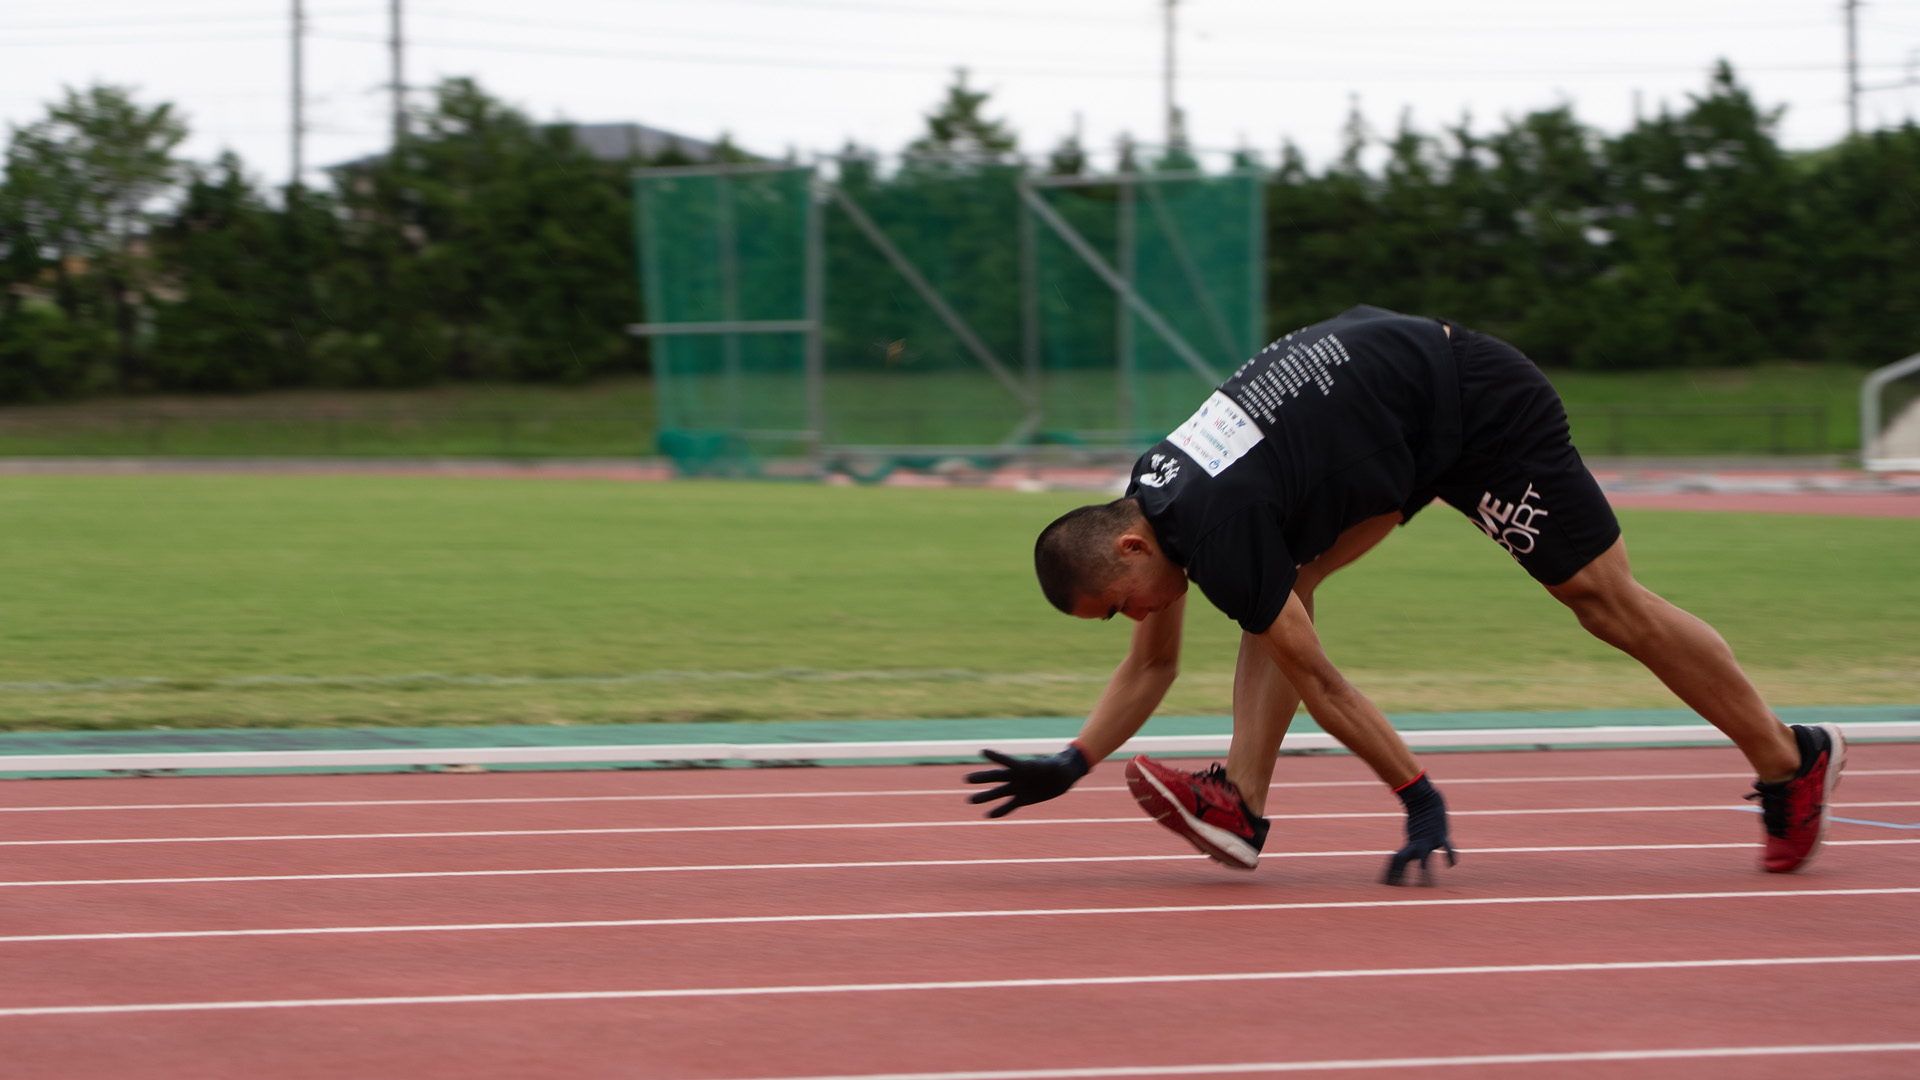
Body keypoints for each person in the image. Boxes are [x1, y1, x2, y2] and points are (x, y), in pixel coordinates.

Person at [965, 305, 1845, 885]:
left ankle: (1788, 760)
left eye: (1121, 604)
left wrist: (1417, 794)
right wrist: (1070, 764)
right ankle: (1243, 802)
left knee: (1602, 599)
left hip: (1477, 410)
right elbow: (1154, 666)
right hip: (1391, 425)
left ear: (1127, 547)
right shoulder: (1155, 501)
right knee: (1285, 589)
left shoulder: (1210, 524)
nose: (1139, 617)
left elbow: (1322, 681)